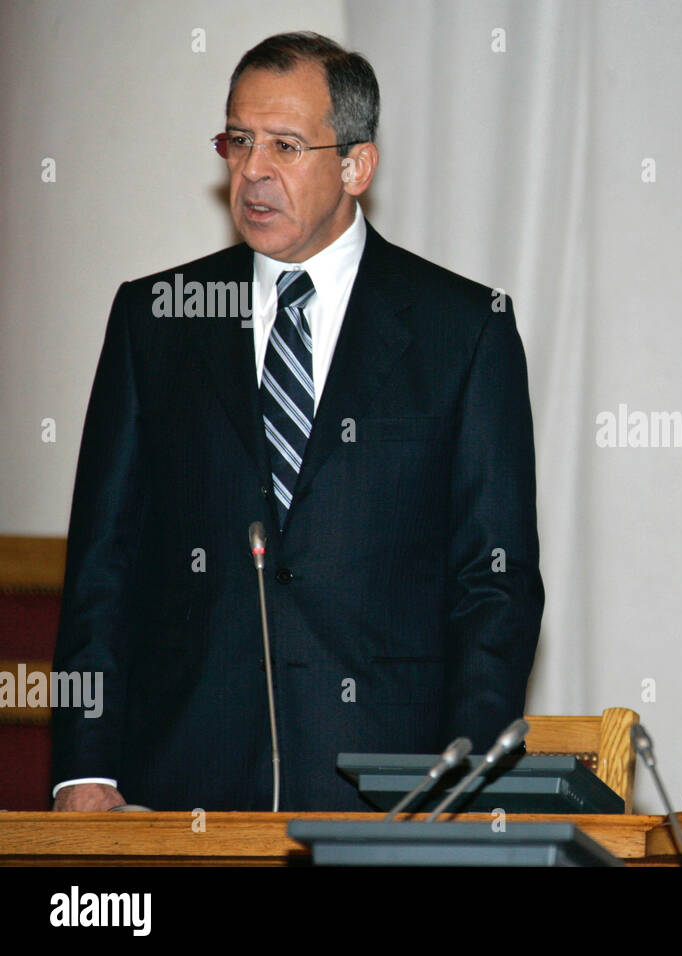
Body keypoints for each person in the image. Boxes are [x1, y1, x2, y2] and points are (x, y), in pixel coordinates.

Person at [51, 33, 543, 811]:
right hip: (182, 784)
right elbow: (102, 567)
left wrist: (463, 781)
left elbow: (495, 582)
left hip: (385, 789)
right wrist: (84, 770)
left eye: (284, 145)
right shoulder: (157, 318)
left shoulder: (464, 329)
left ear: (356, 166)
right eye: (238, 141)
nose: (252, 171)